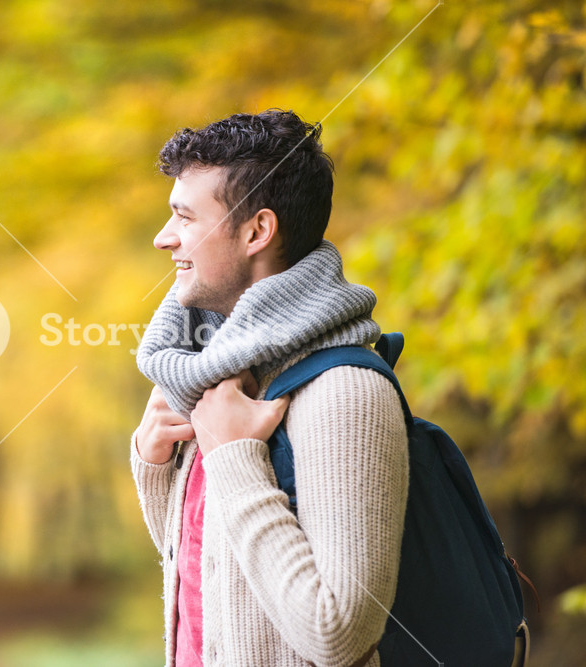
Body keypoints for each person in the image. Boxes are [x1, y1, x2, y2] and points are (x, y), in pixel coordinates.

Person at [131, 109, 409, 667]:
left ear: (257, 230)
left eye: (184, 217)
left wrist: (234, 457)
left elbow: (338, 635)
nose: (164, 239)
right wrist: (154, 462)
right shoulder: (205, 370)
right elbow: (202, 568)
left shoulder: (344, 392)